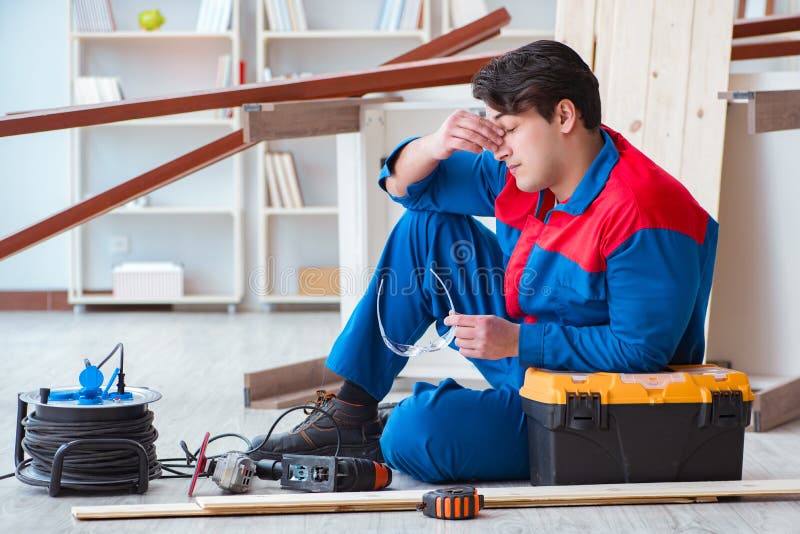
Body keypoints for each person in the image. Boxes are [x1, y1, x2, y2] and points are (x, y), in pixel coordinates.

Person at [251, 40, 718, 483]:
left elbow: (640, 355)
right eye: (495, 131)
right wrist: (434, 145)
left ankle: (417, 424)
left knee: (416, 433)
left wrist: (517, 340)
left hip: (600, 403)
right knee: (427, 228)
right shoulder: (522, 169)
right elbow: (404, 187)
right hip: (528, 348)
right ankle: (352, 413)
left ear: (564, 115)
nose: (501, 147)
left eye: (510, 130)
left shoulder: (645, 208)